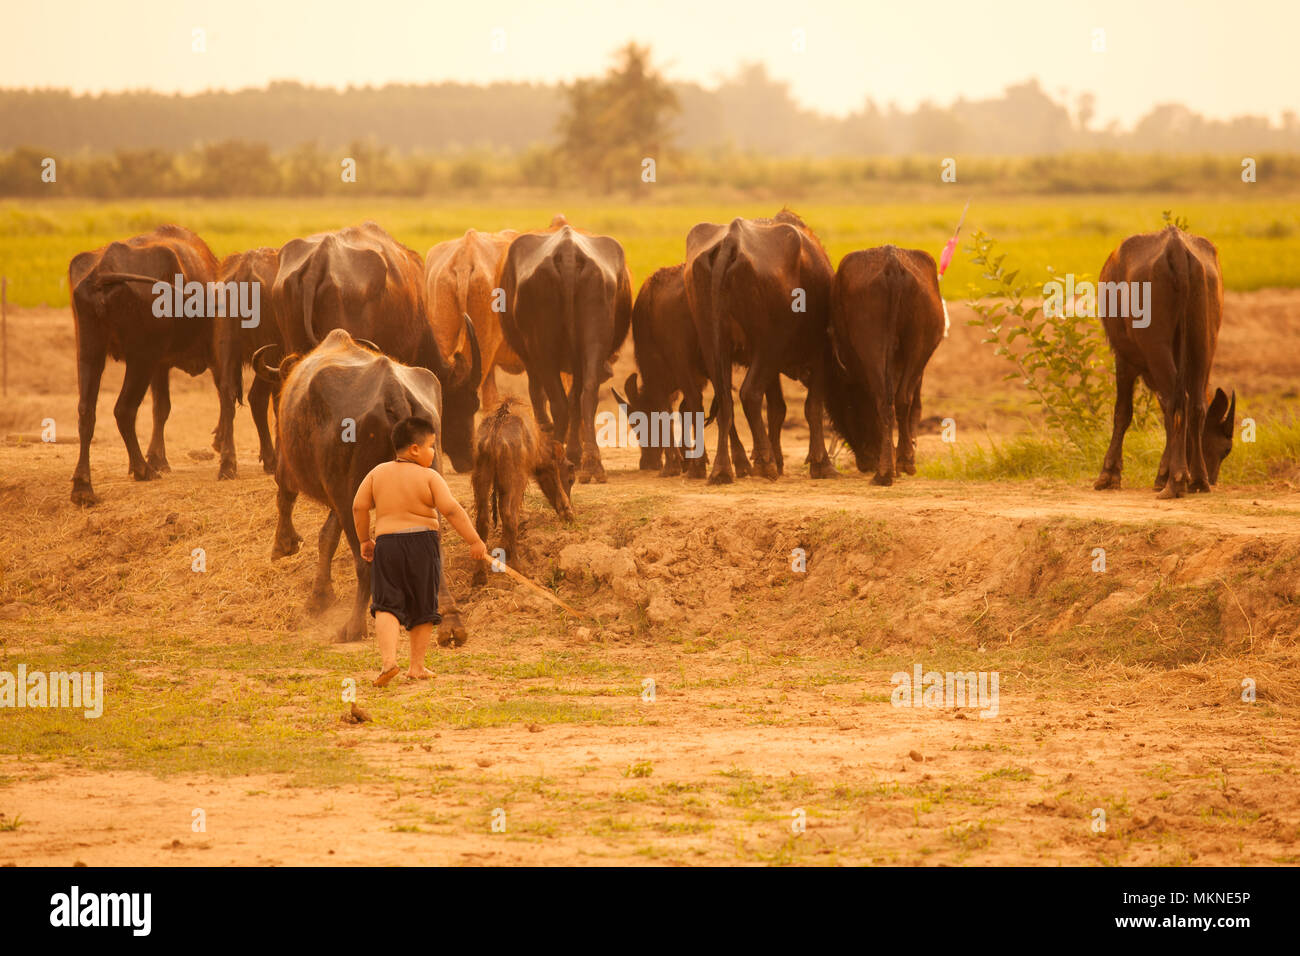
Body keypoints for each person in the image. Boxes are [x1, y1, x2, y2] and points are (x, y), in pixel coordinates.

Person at [352, 416, 488, 686]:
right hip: (423, 545)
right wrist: (474, 540)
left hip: (387, 544)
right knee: (423, 606)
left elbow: (358, 506)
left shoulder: (377, 473)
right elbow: (450, 510)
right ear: (415, 449)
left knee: (385, 606)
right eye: (431, 447)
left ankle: (389, 662)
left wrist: (364, 540)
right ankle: (417, 666)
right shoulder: (429, 476)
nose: (433, 452)